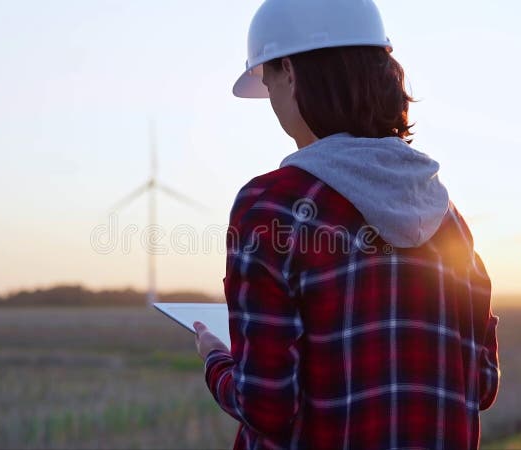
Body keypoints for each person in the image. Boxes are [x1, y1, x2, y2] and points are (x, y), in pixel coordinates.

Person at [193, 1, 500, 448]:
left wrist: (216, 359)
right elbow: (483, 384)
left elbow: (267, 406)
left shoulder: (271, 206)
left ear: (290, 72)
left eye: (269, 80)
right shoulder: (449, 219)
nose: (273, 101)